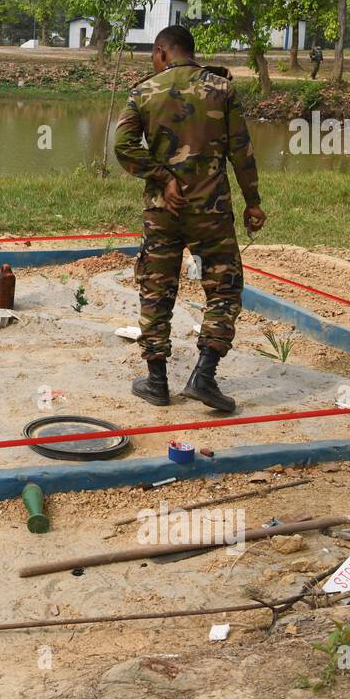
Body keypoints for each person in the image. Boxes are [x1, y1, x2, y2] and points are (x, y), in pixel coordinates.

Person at [112, 25, 267, 412]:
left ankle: (156, 382)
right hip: (210, 211)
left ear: (163, 52)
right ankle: (204, 376)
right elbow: (241, 152)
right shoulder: (223, 89)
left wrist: (162, 177)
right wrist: (253, 202)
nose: (154, 61)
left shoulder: (145, 91)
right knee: (224, 288)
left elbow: (122, 145)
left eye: (153, 54)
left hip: (163, 212)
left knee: (157, 288)